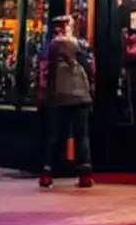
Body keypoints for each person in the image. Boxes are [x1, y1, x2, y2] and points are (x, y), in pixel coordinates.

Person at [38, 15, 95, 189]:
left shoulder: (49, 48)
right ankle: (84, 175)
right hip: (80, 97)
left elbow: (43, 73)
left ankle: (47, 174)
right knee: (82, 137)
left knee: (54, 137)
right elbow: (90, 68)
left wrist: (43, 95)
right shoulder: (81, 45)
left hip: (58, 96)